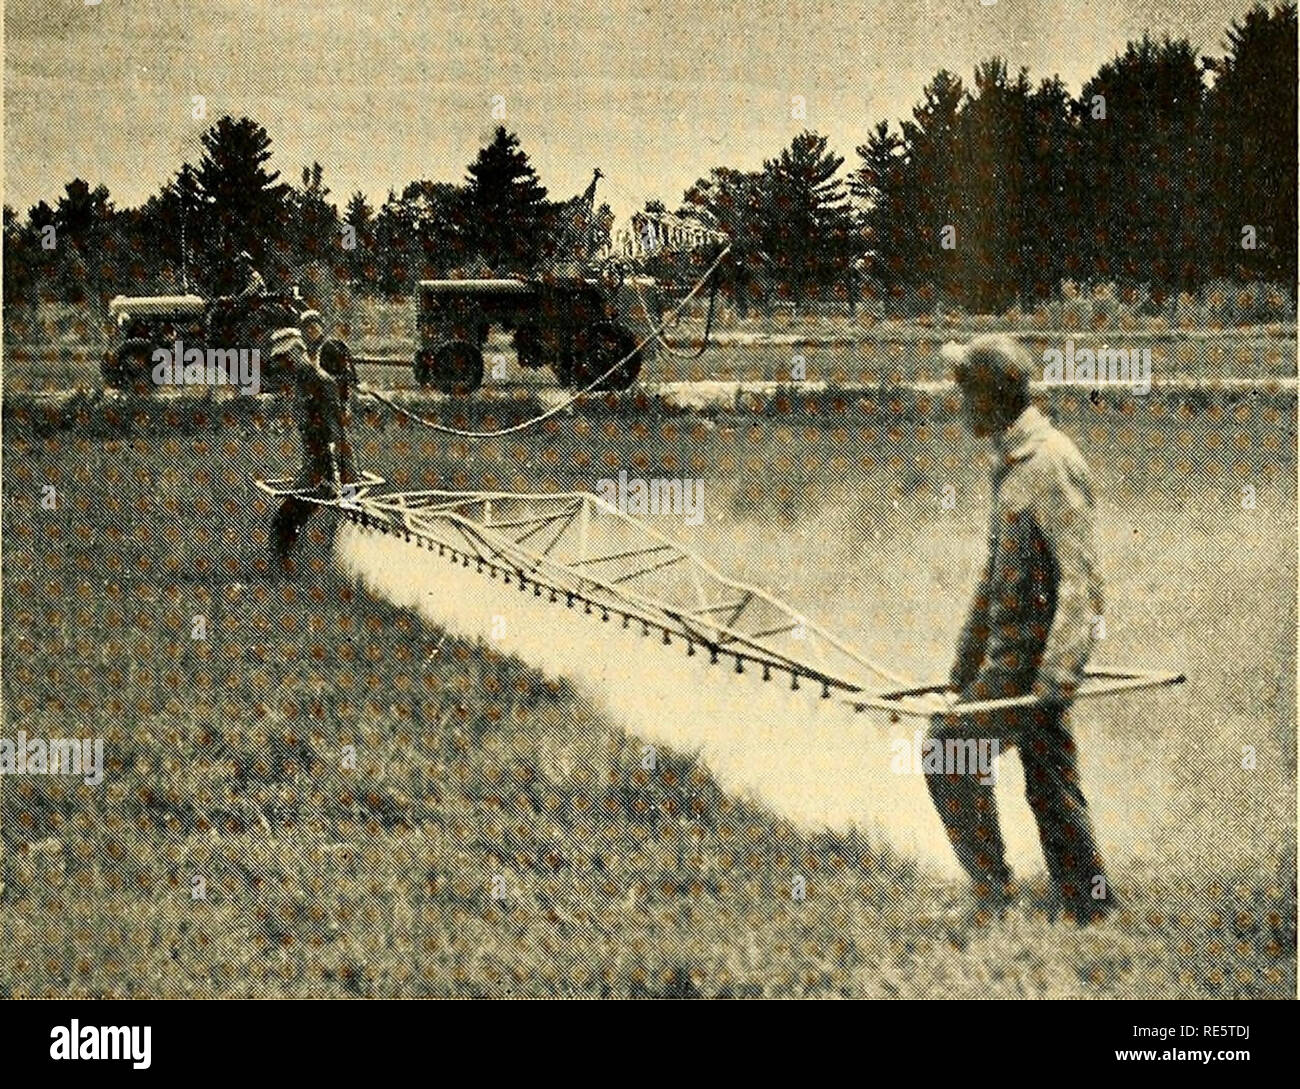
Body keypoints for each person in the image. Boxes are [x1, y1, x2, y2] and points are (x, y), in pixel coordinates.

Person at [928, 333, 1110, 927]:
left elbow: (1081, 583)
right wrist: (962, 667)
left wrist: (1058, 674)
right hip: (1009, 661)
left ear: (991, 398)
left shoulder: (1049, 464)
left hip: (1030, 666)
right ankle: (1090, 903)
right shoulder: (1014, 461)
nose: (958, 407)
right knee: (1050, 780)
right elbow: (995, 578)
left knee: (948, 755)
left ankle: (995, 896)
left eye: (965, 394)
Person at [267, 326, 357, 575]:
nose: (284, 365)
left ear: (298, 352)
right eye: (280, 360)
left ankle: (285, 572)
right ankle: (285, 570)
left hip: (330, 467)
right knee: (287, 521)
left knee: (286, 520)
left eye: (286, 358)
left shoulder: (321, 382)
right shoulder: (302, 383)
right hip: (315, 465)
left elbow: (337, 436)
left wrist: (342, 483)